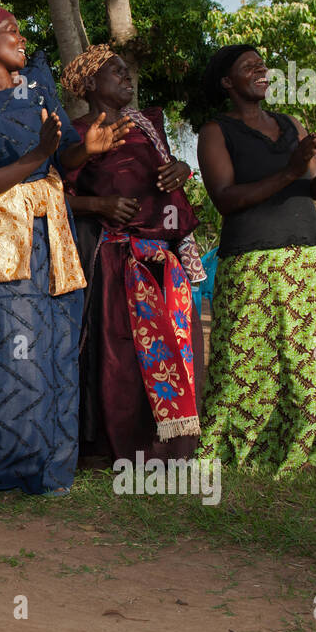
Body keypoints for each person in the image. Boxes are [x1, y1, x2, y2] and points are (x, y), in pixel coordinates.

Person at [0, 4, 128, 510]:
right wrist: (31, 158)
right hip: (1, 232)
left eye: (20, 29)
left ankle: (49, 468)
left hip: (53, 228)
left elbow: (63, 154)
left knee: (57, 348)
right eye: (8, 31)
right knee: (10, 352)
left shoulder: (37, 85)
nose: (20, 38)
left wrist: (86, 149)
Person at [195, 44, 316, 475]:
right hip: (249, 264)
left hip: (304, 259)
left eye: (262, 64)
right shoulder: (216, 132)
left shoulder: (292, 125)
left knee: (311, 363)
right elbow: (226, 199)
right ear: (228, 83)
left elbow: (312, 192)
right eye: (248, 66)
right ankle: (231, 460)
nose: (261, 70)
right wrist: (288, 171)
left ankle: (305, 457)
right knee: (243, 367)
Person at [61, 45, 205, 465]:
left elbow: (167, 185)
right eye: (116, 72)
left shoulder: (146, 126)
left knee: (175, 352)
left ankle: (171, 452)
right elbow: (53, 197)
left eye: (128, 72)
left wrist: (182, 168)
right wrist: (98, 206)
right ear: (90, 84)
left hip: (161, 261)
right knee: (121, 358)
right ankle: (119, 451)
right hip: (114, 263)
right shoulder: (75, 134)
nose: (128, 78)